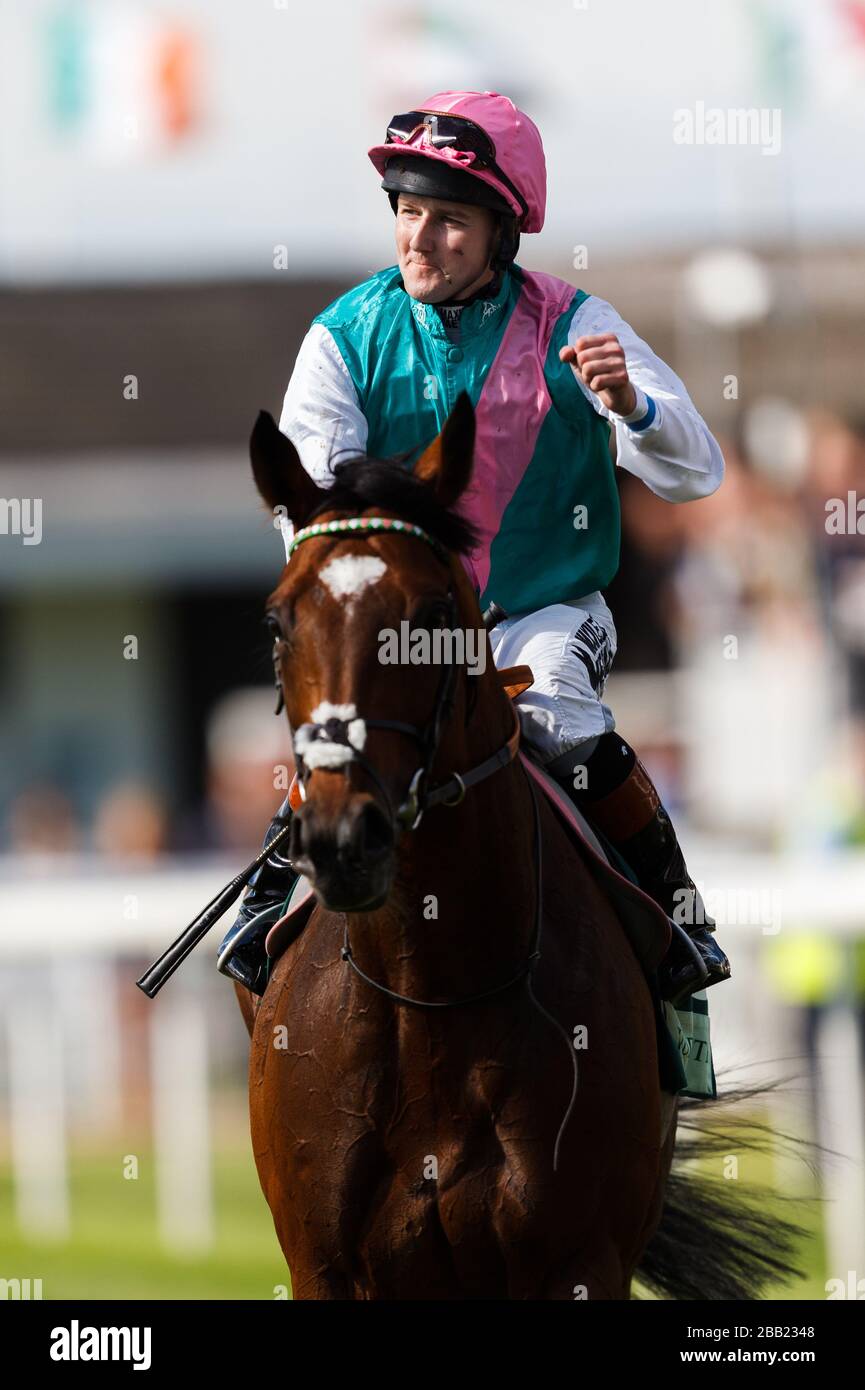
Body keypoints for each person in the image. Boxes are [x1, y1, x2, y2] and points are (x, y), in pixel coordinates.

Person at [218, 90, 731, 1002]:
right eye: (407, 213)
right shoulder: (342, 337)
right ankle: (267, 897)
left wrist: (630, 408)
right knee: (344, 727)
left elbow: (697, 472)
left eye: (448, 220)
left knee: (560, 721)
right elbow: (308, 511)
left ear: (504, 231)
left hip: (544, 615)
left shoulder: (576, 325)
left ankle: (677, 919)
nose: (418, 239)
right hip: (396, 622)